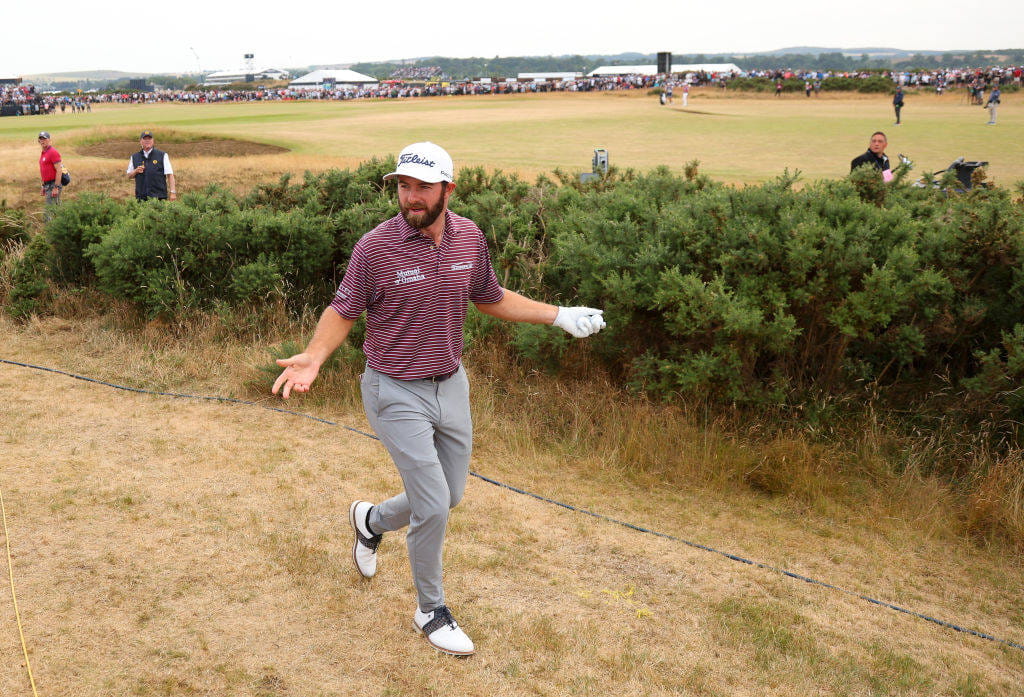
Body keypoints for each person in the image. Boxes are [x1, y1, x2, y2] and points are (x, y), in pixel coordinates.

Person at [272, 142, 605, 657]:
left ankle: (370, 520)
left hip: (451, 385)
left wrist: (557, 314)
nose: (410, 197)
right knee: (433, 506)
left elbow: (489, 297)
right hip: (394, 389)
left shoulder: (469, 236)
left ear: (448, 189)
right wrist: (315, 357)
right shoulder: (375, 247)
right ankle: (430, 610)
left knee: (450, 495)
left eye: (422, 187)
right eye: (403, 186)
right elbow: (343, 309)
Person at [127, 130, 177, 201]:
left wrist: (173, 192)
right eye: (145, 139)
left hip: (159, 197)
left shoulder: (162, 155)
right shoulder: (134, 157)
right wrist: (136, 171)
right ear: (140, 141)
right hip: (141, 198)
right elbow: (129, 175)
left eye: (149, 139)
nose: (147, 141)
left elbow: (170, 175)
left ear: (153, 141)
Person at [37, 131, 63, 213]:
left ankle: (49, 225)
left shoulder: (53, 152)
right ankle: (64, 223)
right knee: (57, 208)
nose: (42, 141)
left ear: (49, 140)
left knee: (48, 211)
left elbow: (59, 170)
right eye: (41, 139)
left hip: (53, 185)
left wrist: (56, 187)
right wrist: (43, 186)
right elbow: (44, 171)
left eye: (44, 139)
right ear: (39, 141)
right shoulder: (43, 153)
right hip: (47, 185)